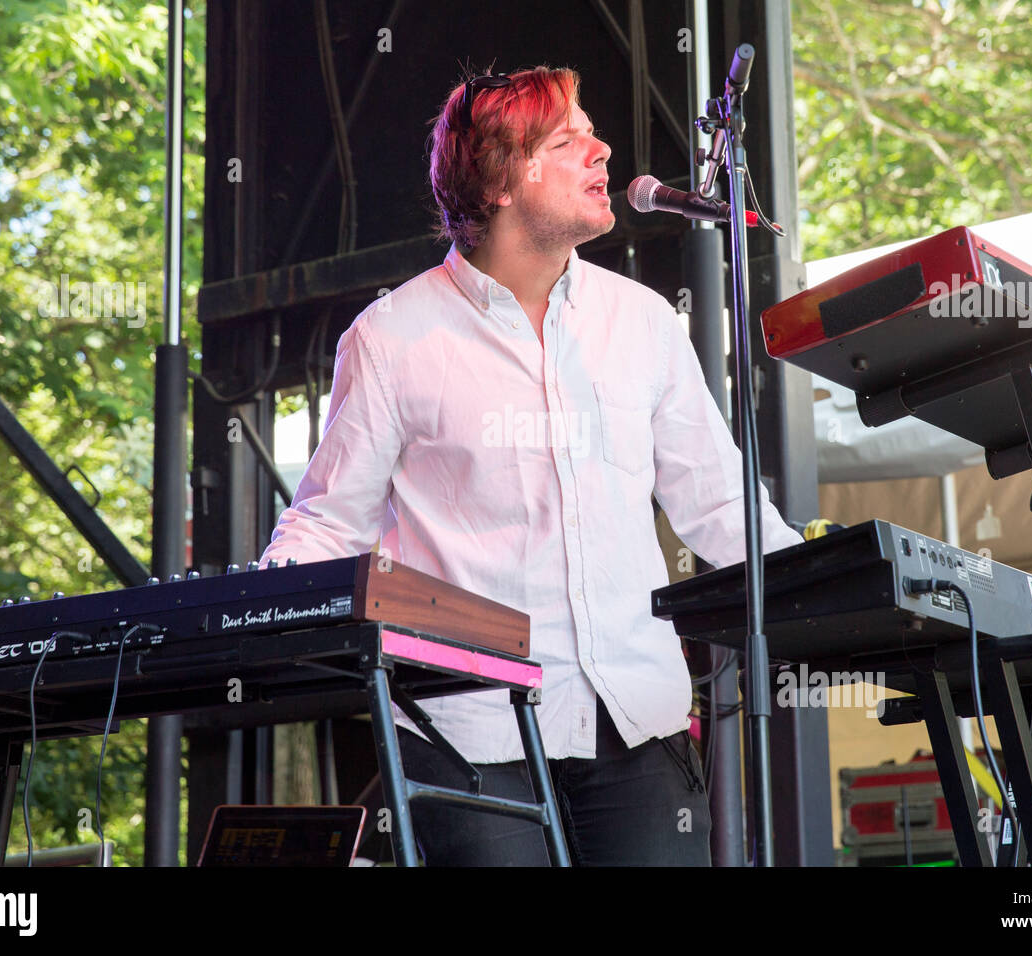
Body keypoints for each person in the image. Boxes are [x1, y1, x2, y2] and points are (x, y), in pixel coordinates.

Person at [260, 65, 801, 865]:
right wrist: (245, 611)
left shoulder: (644, 324)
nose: (603, 149)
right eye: (569, 138)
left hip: (637, 728)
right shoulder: (389, 340)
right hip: (467, 735)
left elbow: (722, 506)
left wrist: (845, 598)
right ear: (502, 180)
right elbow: (330, 522)